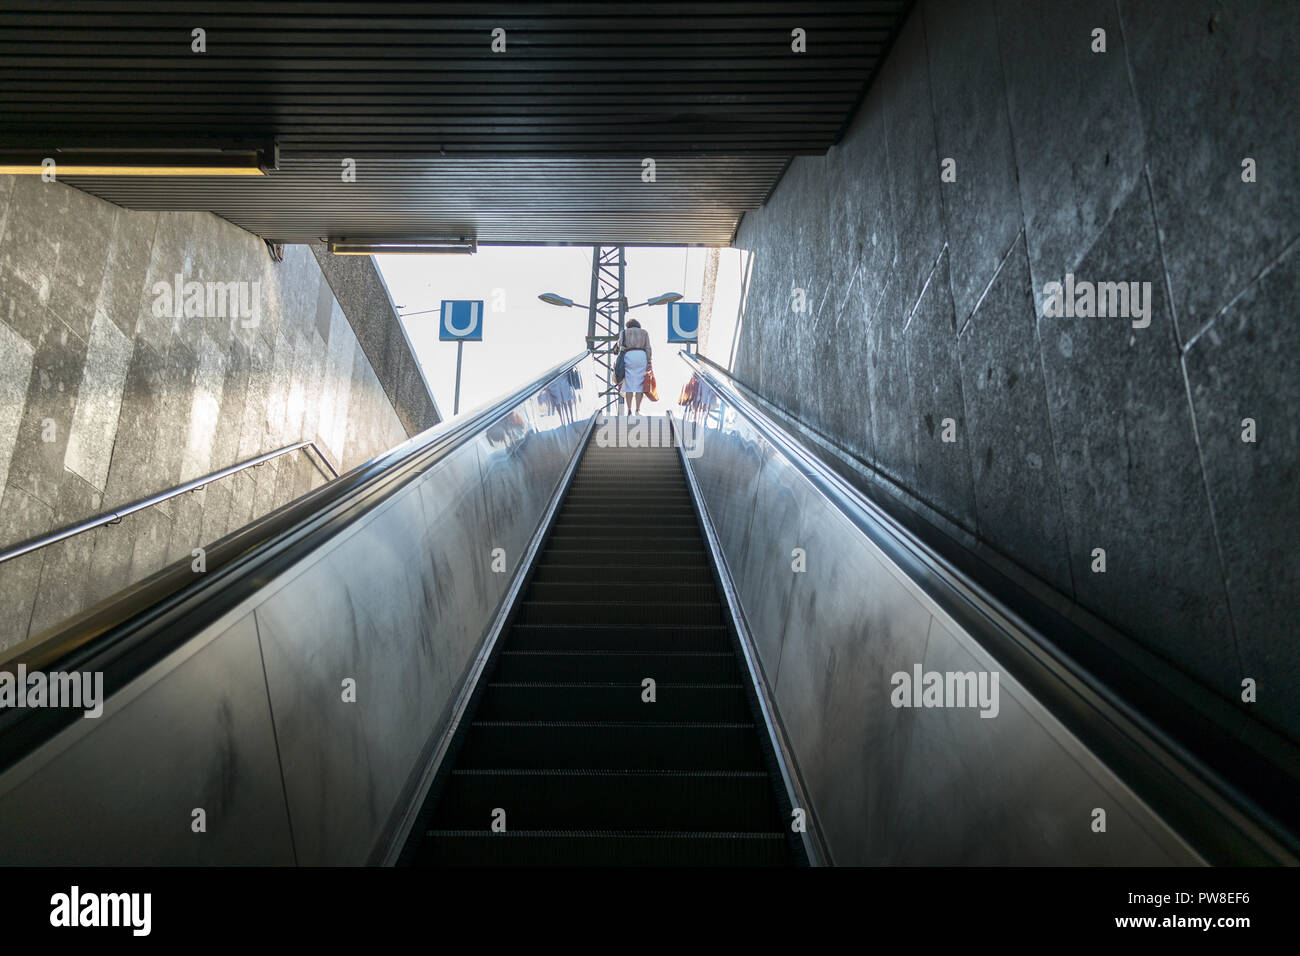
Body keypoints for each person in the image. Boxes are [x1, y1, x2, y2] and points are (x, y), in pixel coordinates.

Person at [618, 319, 652, 416]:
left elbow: (620, 345)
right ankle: (637, 410)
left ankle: (629, 410)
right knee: (640, 385)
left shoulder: (624, 332)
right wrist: (649, 361)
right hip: (641, 356)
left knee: (629, 384)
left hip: (629, 355)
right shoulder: (644, 332)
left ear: (628, 325)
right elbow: (648, 347)